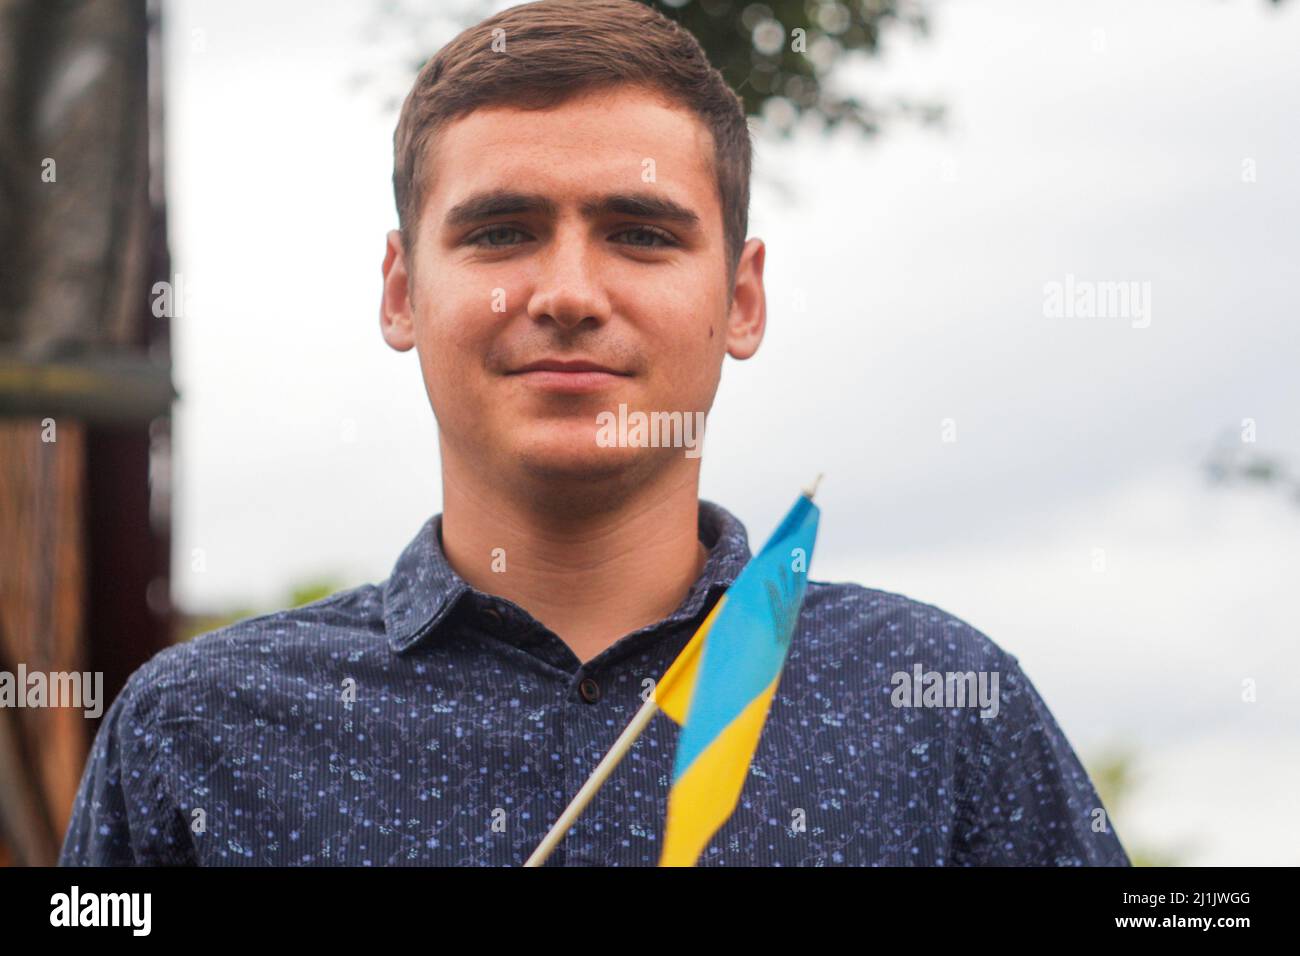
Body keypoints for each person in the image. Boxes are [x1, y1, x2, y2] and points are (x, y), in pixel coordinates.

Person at [60, 0, 1129, 866]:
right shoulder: (196, 734)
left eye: (640, 234)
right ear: (401, 292)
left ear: (742, 300)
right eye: (502, 232)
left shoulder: (939, 707)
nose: (568, 291)